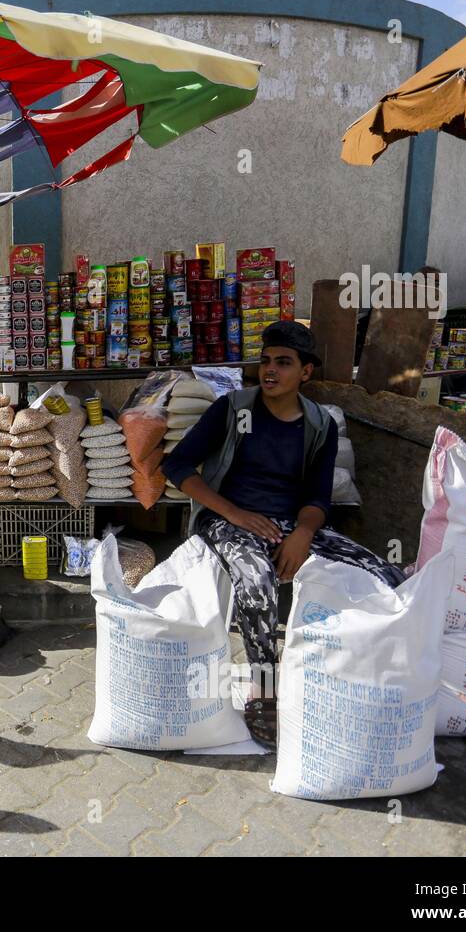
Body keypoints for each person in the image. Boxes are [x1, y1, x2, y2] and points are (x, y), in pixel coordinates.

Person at [162, 320, 404, 747]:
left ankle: (365, 677)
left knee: (382, 572)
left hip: (289, 525)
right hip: (226, 520)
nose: (270, 371)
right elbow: (177, 466)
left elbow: (318, 498)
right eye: (266, 361)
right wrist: (233, 513)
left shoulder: (319, 426)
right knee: (256, 581)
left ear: (306, 373)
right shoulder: (234, 409)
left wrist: (304, 534)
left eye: (284, 363)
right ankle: (264, 691)